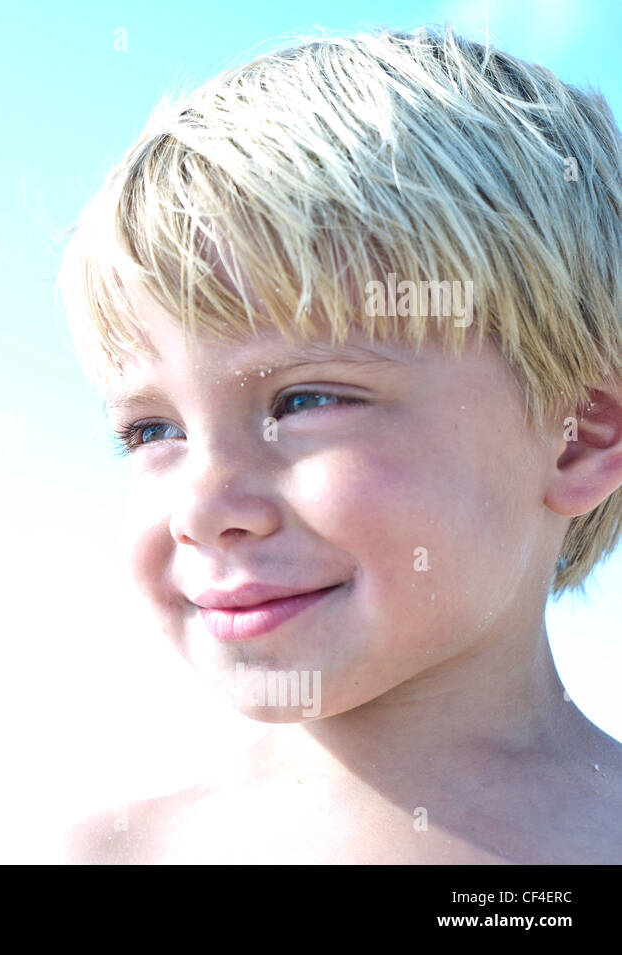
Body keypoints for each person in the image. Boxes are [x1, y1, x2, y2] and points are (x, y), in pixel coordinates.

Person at [56, 25, 622, 863]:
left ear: (578, 440)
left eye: (307, 398)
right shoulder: (112, 853)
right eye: (153, 429)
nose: (204, 509)